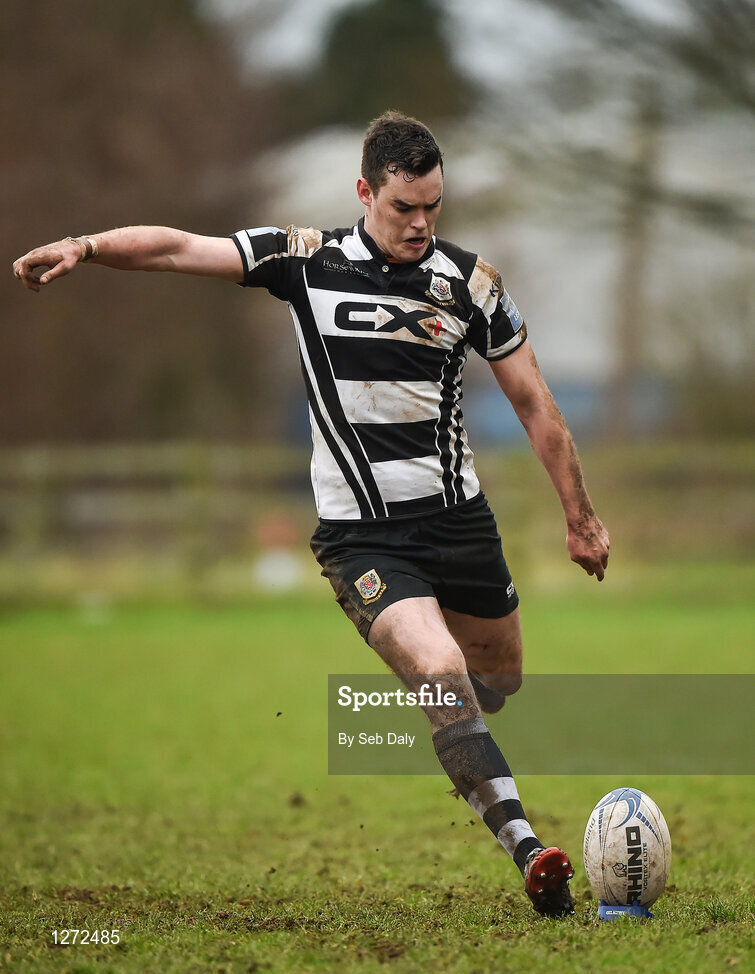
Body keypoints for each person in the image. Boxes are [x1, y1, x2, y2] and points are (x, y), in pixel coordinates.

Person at [13, 111, 609, 918]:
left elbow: (535, 403)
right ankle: (527, 848)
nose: (421, 223)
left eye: (433, 206)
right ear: (365, 192)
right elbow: (181, 247)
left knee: (497, 679)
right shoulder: (304, 259)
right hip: (363, 538)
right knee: (441, 678)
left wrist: (579, 517)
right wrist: (86, 246)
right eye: (404, 207)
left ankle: (462, 721)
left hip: (460, 523)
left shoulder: (473, 285)